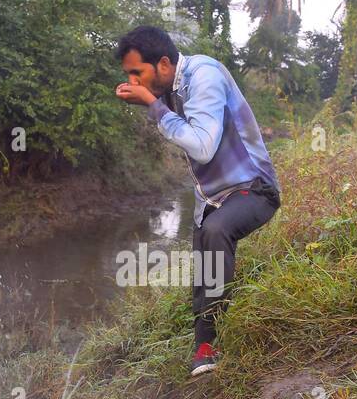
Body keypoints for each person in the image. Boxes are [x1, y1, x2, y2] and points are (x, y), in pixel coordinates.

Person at [115, 25, 281, 376]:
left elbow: (203, 147)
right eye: (128, 75)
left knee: (217, 231)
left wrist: (152, 105)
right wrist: (154, 103)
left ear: (162, 64)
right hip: (211, 197)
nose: (133, 80)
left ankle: (213, 344)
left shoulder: (204, 75)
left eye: (137, 72)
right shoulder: (170, 89)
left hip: (254, 188)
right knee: (204, 261)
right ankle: (204, 347)